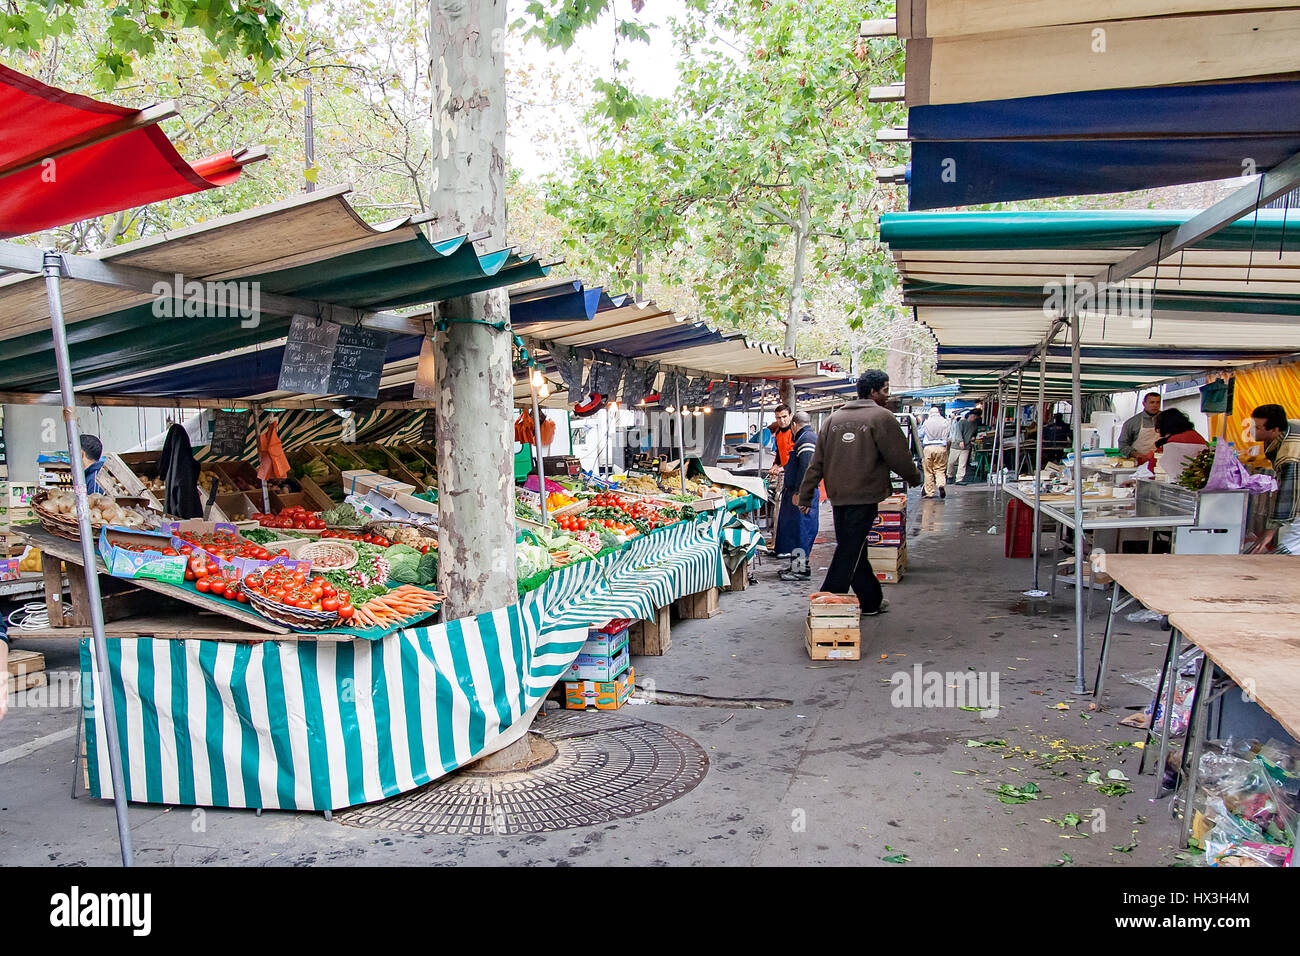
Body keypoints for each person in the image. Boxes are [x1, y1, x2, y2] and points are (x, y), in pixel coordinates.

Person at [796, 370, 922, 616]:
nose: (887, 395)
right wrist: (915, 477)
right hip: (864, 495)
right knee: (850, 550)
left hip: (838, 496)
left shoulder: (833, 419)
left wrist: (806, 495)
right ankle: (827, 601)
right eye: (885, 390)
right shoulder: (882, 417)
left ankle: (871, 600)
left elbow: (816, 464)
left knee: (853, 546)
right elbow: (899, 456)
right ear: (873, 392)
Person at [1249, 404, 1300, 554]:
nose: (1252, 430)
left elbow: (1287, 494)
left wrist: (1269, 533)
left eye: (1257, 428)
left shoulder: (1290, 454)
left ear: (1274, 430)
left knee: (1287, 551)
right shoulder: (1287, 427)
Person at [777, 411, 819, 581]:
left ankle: (800, 570)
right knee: (797, 531)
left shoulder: (806, 440)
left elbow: (806, 469)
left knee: (802, 532)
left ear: (794, 425)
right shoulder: (807, 437)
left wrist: (800, 493)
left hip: (804, 494)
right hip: (803, 493)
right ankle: (796, 566)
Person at [919, 406, 951, 498]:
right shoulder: (945, 422)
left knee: (928, 471)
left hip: (928, 448)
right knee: (940, 469)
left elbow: (920, 434)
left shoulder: (926, 423)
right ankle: (941, 485)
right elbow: (949, 436)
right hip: (941, 447)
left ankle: (929, 493)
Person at [1118, 392, 1161, 459]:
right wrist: (1137, 455)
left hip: (1161, 461)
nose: (1155, 405)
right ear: (1144, 404)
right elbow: (1123, 445)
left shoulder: (1167, 419)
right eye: (1152, 402)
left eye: (1157, 402)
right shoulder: (1132, 422)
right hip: (1138, 462)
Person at [946, 410, 976, 483]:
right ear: (969, 415)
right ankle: (949, 475)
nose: (974, 418)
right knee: (951, 462)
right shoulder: (961, 422)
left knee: (962, 464)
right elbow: (958, 432)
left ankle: (959, 479)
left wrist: (973, 437)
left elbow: (974, 434)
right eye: (973, 416)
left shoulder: (974, 425)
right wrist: (960, 441)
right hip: (956, 445)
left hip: (966, 446)